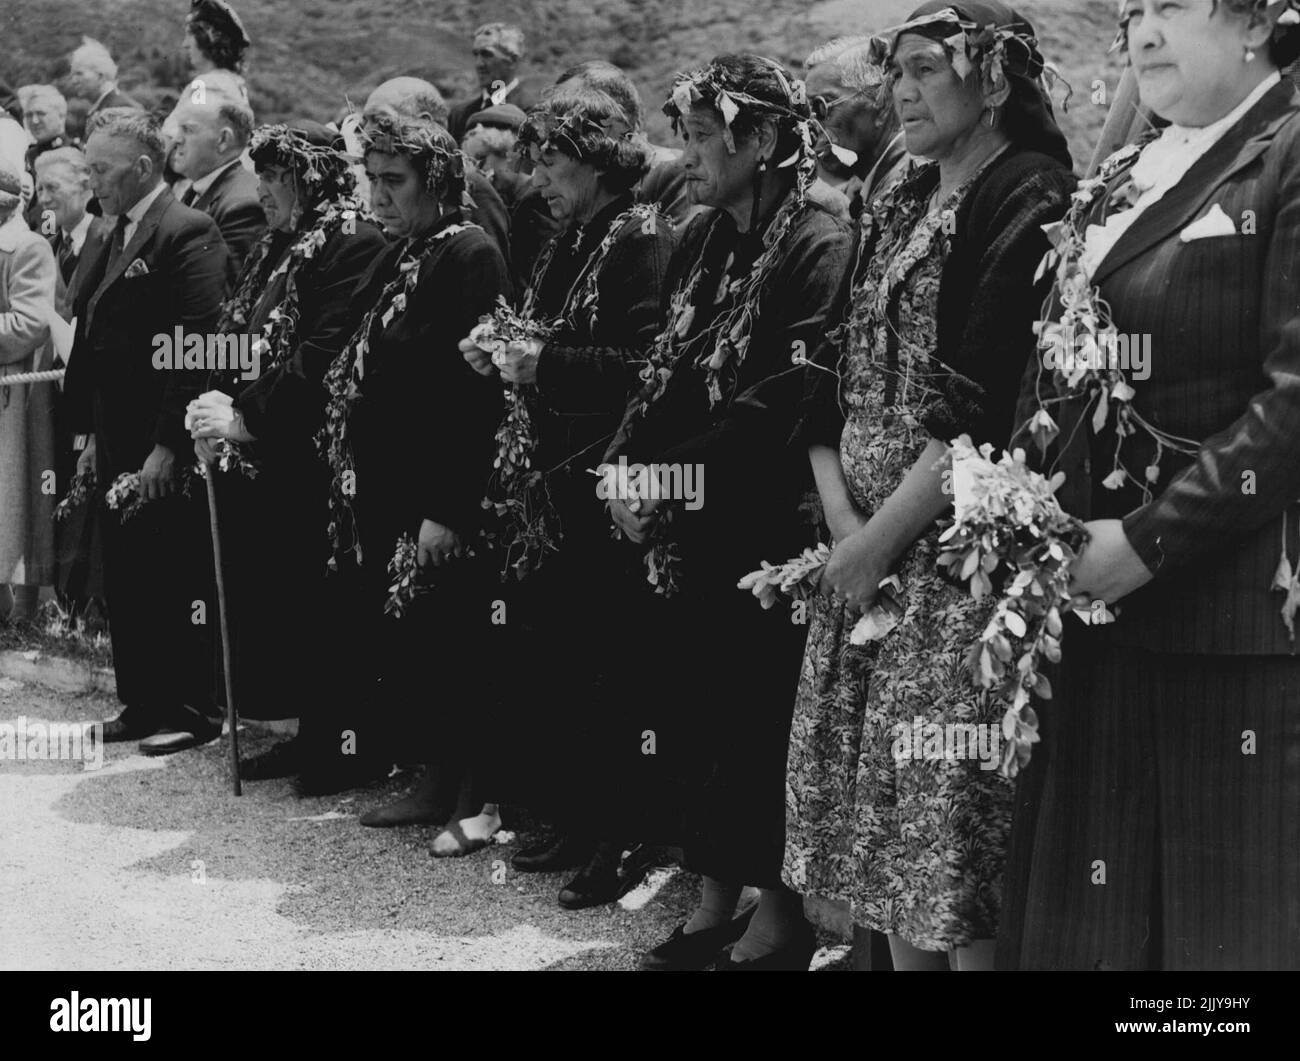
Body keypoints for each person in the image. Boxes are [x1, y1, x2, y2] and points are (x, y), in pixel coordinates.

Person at [997, 0, 1300, 972]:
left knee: (1215, 949)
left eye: (1171, 4)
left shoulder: (1288, 152)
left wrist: (1145, 541)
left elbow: (1291, 399)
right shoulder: (1127, 167)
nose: (1143, 31)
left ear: (1257, 21)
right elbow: (1051, 358)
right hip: (1092, 608)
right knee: (1091, 930)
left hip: (1224, 626)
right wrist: (1020, 511)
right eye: (1132, 11)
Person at [782, 1, 1075, 972]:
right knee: (883, 840)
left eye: (922, 67)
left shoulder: (1024, 191)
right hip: (864, 554)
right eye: (890, 70)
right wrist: (841, 527)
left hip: (949, 563)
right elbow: (830, 361)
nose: (897, 90)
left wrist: (875, 542)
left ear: (991, 77)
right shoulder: (899, 187)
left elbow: (981, 399)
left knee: (942, 841)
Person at [602, 54, 852, 970]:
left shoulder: (819, 241)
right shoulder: (709, 236)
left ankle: (778, 917)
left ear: (765, 140)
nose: (690, 154)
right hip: (698, 519)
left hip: (766, 527)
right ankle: (714, 894)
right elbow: (667, 369)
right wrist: (630, 470)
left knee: (759, 718)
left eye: (705, 136)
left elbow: (777, 404)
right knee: (703, 708)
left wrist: (664, 485)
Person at [459, 83, 677, 905]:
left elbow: (644, 366)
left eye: (550, 163)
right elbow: (545, 326)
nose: (539, 180)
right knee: (571, 663)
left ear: (594, 161)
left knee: (611, 673)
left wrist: (541, 363)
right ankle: (581, 816)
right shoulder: (577, 233)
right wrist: (503, 343)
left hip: (603, 482)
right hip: (555, 487)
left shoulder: (640, 242)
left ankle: (621, 836)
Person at [317, 111, 511, 845]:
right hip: (394, 489)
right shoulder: (404, 252)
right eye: (371, 178)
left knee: (460, 641)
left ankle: (469, 793)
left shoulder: (470, 255)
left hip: (442, 493)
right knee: (423, 642)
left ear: (436, 182)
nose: (378, 193)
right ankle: (433, 774)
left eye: (393, 180)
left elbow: (477, 394)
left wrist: (448, 507)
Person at [186, 121, 389, 793]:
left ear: (309, 179)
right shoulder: (280, 246)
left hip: (321, 456)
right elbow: (239, 336)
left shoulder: (352, 243)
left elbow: (320, 353)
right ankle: (312, 735)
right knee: (293, 605)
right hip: (272, 456)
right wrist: (207, 394)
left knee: (327, 606)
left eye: (275, 178)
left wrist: (245, 416)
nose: (263, 190)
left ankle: (345, 748)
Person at [62, 110, 229, 755]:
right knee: (129, 573)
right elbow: (97, 335)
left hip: (163, 440)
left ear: (140, 167)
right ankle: (142, 700)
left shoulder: (187, 231)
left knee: (173, 574)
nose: (91, 179)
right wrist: (91, 435)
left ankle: (191, 709)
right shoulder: (112, 230)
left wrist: (168, 443)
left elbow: (199, 342)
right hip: (116, 433)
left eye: (100, 169)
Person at [359, 78, 512, 266]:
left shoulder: (469, 182)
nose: (365, 130)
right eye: (364, 121)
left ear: (423, 122)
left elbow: (486, 264)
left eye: (380, 119)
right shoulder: (393, 251)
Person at [0, 164, 58, 625]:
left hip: (11, 396)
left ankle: (19, 609)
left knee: (10, 504)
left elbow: (30, 324)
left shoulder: (27, 247)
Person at [169, 89, 267, 282]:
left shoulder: (243, 206)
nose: (176, 139)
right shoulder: (200, 188)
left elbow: (223, 292)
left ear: (223, 140)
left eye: (187, 130)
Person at [804, 62, 907, 220]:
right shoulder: (860, 188)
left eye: (821, 106)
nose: (810, 124)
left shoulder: (909, 183)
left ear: (882, 104)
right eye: (805, 109)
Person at [447, 23, 539, 143]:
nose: (479, 64)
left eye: (487, 55)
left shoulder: (533, 112)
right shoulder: (459, 115)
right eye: (476, 55)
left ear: (512, 61)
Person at [66, 38, 141, 136]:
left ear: (100, 76)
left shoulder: (122, 108)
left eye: (79, 74)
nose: (74, 81)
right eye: (72, 76)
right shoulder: (102, 106)